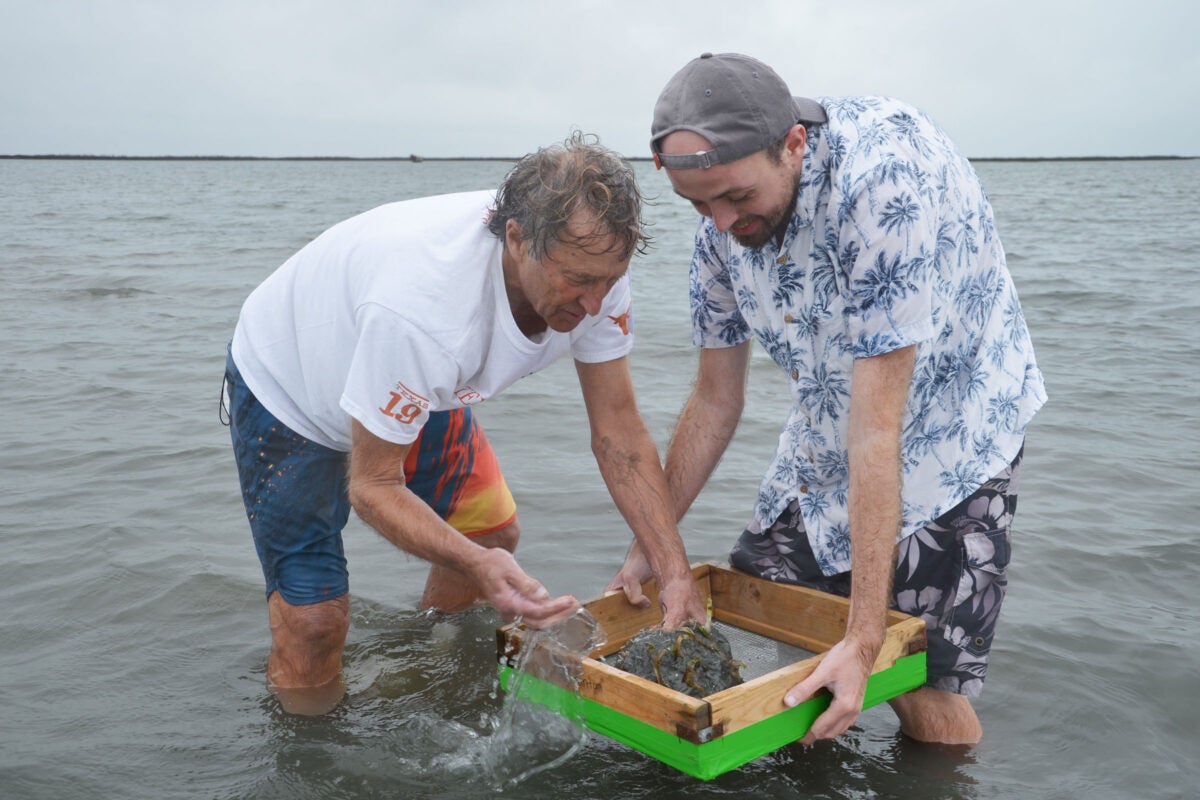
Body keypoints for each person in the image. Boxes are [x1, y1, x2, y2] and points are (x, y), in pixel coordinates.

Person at [609, 53, 1047, 745]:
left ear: (793, 144)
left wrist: (866, 641)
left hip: (951, 433)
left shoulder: (880, 186)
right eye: (699, 204)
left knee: (917, 677)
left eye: (737, 198)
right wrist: (650, 544)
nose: (721, 224)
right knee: (776, 606)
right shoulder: (718, 231)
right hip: (827, 421)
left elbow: (880, 433)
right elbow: (715, 399)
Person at [223, 132, 707, 714]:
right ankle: (305, 749)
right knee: (317, 624)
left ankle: (425, 653)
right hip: (289, 387)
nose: (595, 304)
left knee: (491, 533)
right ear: (516, 238)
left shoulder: (596, 270)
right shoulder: (425, 311)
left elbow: (620, 434)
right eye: (578, 281)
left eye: (610, 280)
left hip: (413, 380)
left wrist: (673, 572)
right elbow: (374, 486)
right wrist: (478, 569)